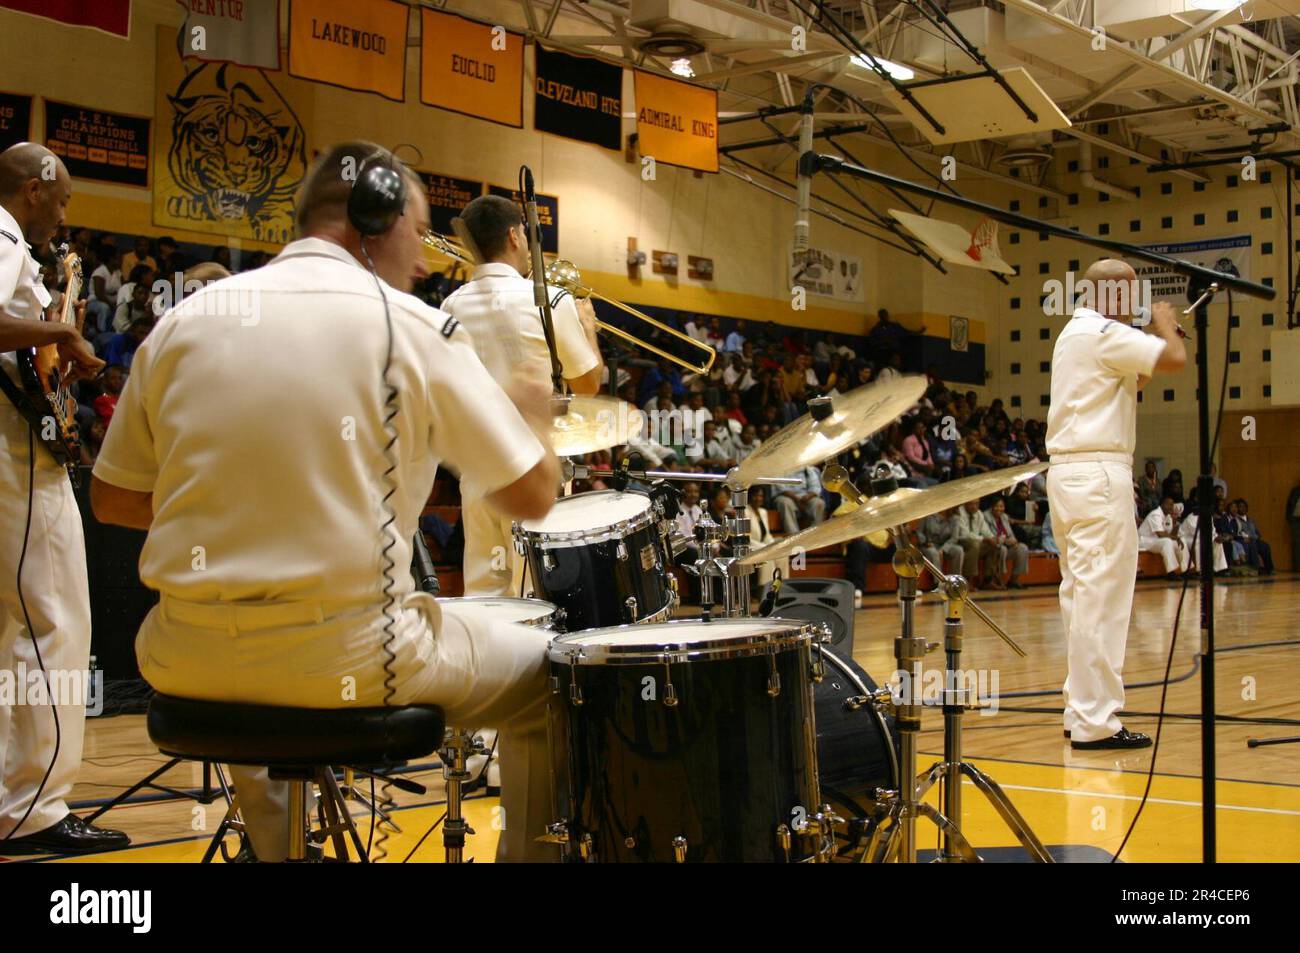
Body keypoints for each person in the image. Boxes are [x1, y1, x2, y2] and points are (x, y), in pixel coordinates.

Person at [89, 141, 561, 863]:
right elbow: (531, 496)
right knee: (556, 679)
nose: (428, 261)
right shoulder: (411, 325)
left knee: (254, 668)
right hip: (360, 655)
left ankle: (277, 851)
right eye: (418, 231)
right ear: (378, 217)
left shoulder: (187, 319)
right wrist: (532, 416)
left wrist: (240, 506)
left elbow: (113, 497)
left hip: (185, 657)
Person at [0, 142, 123, 854]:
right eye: (65, 197)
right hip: (19, 460)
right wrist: (65, 331)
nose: (67, 211)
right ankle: (37, 809)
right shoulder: (4, 235)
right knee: (56, 626)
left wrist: (55, 360)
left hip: (21, 446)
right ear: (33, 188)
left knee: (21, 634)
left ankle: (17, 797)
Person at [1045, 258, 1186, 749]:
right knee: (1101, 602)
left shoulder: (1075, 333)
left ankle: (1079, 709)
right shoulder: (1103, 332)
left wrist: (1154, 335)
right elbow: (1174, 360)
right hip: (1098, 475)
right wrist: (1165, 324)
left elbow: (1137, 378)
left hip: (1070, 475)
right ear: (1115, 295)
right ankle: (1096, 722)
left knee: (1082, 598)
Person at [440, 193, 602, 597]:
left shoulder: (450, 304)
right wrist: (589, 331)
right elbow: (588, 384)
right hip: (535, 467)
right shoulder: (549, 300)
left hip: (476, 470)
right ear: (514, 235)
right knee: (536, 593)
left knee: (485, 592)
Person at [1139, 497, 1189, 579]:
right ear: (1162, 505)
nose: (1171, 506)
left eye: (1172, 504)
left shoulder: (1168, 516)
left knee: (1181, 540)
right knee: (1167, 541)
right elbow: (1160, 534)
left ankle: (1185, 570)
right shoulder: (1155, 514)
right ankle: (1171, 572)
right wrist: (1176, 538)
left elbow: (1170, 534)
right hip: (1145, 541)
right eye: (1168, 504)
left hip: (1157, 541)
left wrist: (1175, 522)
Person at [952, 499, 997, 590]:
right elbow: (965, 534)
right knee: (974, 545)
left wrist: (992, 538)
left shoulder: (979, 513)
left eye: (976, 504)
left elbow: (986, 531)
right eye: (971, 504)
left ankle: (987, 580)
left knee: (992, 545)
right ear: (965, 503)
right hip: (961, 541)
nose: (974, 506)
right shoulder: (959, 512)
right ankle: (968, 580)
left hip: (976, 541)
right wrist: (983, 539)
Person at [986, 498, 1029, 589]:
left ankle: (1013, 580)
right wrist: (1005, 541)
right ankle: (998, 580)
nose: (999, 509)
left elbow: (1010, 534)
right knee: (1003, 549)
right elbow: (989, 535)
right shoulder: (986, 516)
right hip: (994, 547)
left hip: (1006, 546)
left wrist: (1014, 541)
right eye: (997, 506)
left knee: (1023, 548)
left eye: (1001, 506)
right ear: (991, 507)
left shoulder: (1004, 517)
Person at [774, 466, 825, 535]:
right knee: (785, 502)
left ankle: (815, 534)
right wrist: (795, 498)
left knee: (819, 503)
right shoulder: (780, 469)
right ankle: (793, 535)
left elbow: (816, 487)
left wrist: (808, 497)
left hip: (805, 498)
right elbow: (781, 488)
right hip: (787, 496)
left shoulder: (807, 469)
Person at [916, 507, 964, 576]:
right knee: (933, 552)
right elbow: (919, 531)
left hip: (945, 545)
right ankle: (939, 581)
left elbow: (954, 538)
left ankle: (955, 579)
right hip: (928, 544)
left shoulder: (955, 519)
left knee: (959, 550)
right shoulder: (928, 514)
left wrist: (943, 549)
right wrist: (925, 541)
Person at [1232, 499, 1273, 574]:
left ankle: (1269, 569)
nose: (1243, 508)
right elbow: (1238, 533)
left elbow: (1257, 532)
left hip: (1255, 539)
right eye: (1240, 506)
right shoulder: (1236, 520)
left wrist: (1257, 536)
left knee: (1265, 546)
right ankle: (1256, 569)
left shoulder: (1250, 519)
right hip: (1246, 540)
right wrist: (1246, 538)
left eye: (1244, 506)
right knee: (1252, 546)